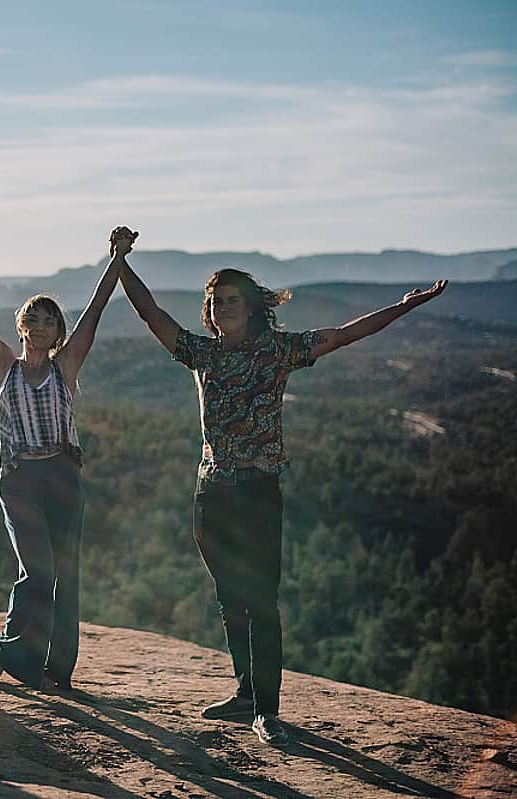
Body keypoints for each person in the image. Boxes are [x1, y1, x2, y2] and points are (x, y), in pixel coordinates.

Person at [117, 245, 447, 746]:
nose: (219, 309)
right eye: (214, 303)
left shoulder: (278, 350)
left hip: (257, 491)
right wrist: (121, 262)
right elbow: (151, 314)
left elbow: (345, 334)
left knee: (261, 602)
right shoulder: (201, 353)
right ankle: (246, 694)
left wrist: (403, 306)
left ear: (250, 307)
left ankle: (267, 712)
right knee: (230, 600)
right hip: (212, 493)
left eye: (229, 300)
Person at [0, 227, 138, 691]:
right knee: (39, 570)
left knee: (66, 576)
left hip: (62, 474)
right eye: (34, 319)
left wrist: (117, 258)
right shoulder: (2, 367)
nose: (42, 327)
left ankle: (56, 670)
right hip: (20, 478)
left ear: (57, 332)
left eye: (50, 321)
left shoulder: (65, 367)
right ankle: (12, 651)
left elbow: (96, 311)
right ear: (21, 327)